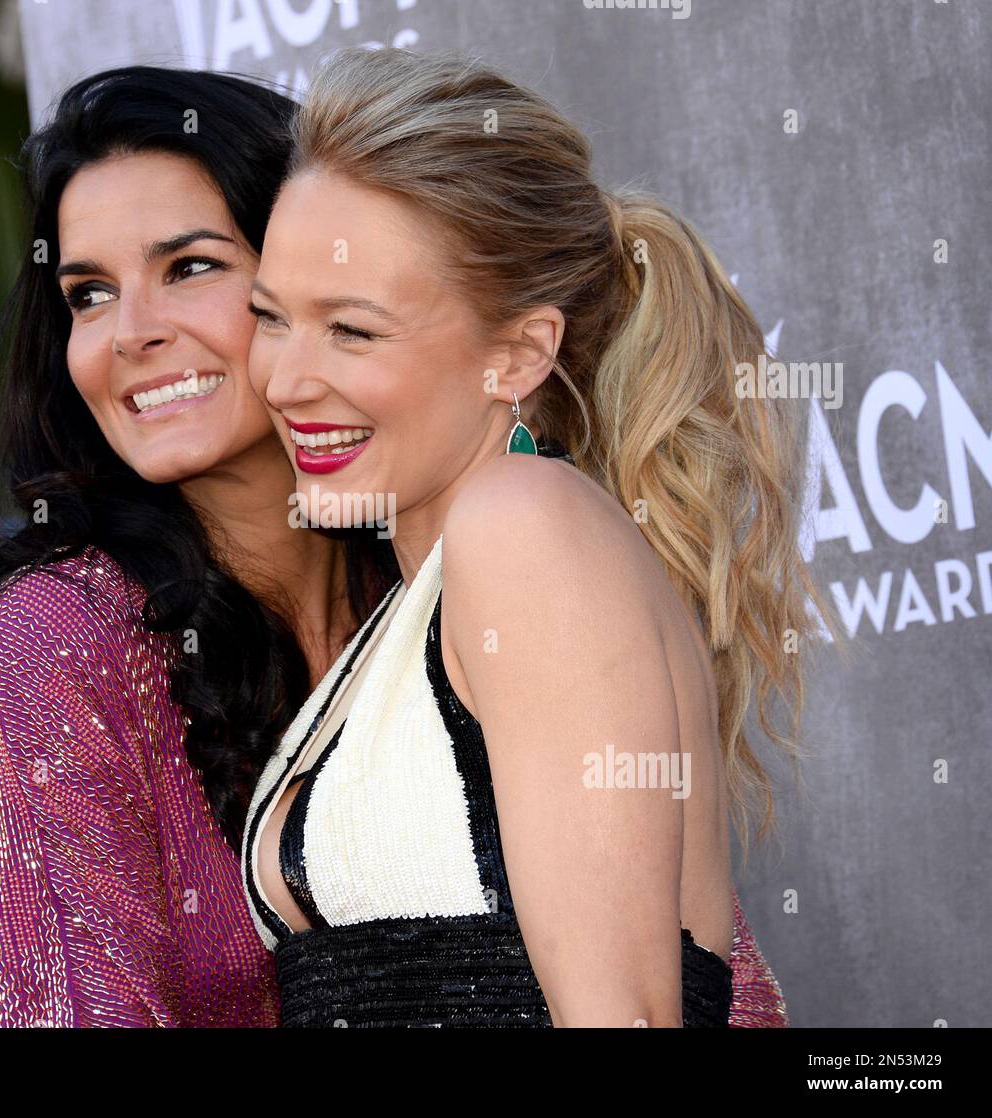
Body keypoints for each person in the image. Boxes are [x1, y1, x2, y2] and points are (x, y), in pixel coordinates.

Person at [241, 47, 830, 1027]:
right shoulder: (424, 591)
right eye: (270, 316)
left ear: (516, 353)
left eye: (350, 330)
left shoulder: (525, 530)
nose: (285, 380)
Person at [0, 67, 398, 1027]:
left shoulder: (443, 571)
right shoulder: (68, 633)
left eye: (190, 267)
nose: (130, 334)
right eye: (88, 293)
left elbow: (689, 960)